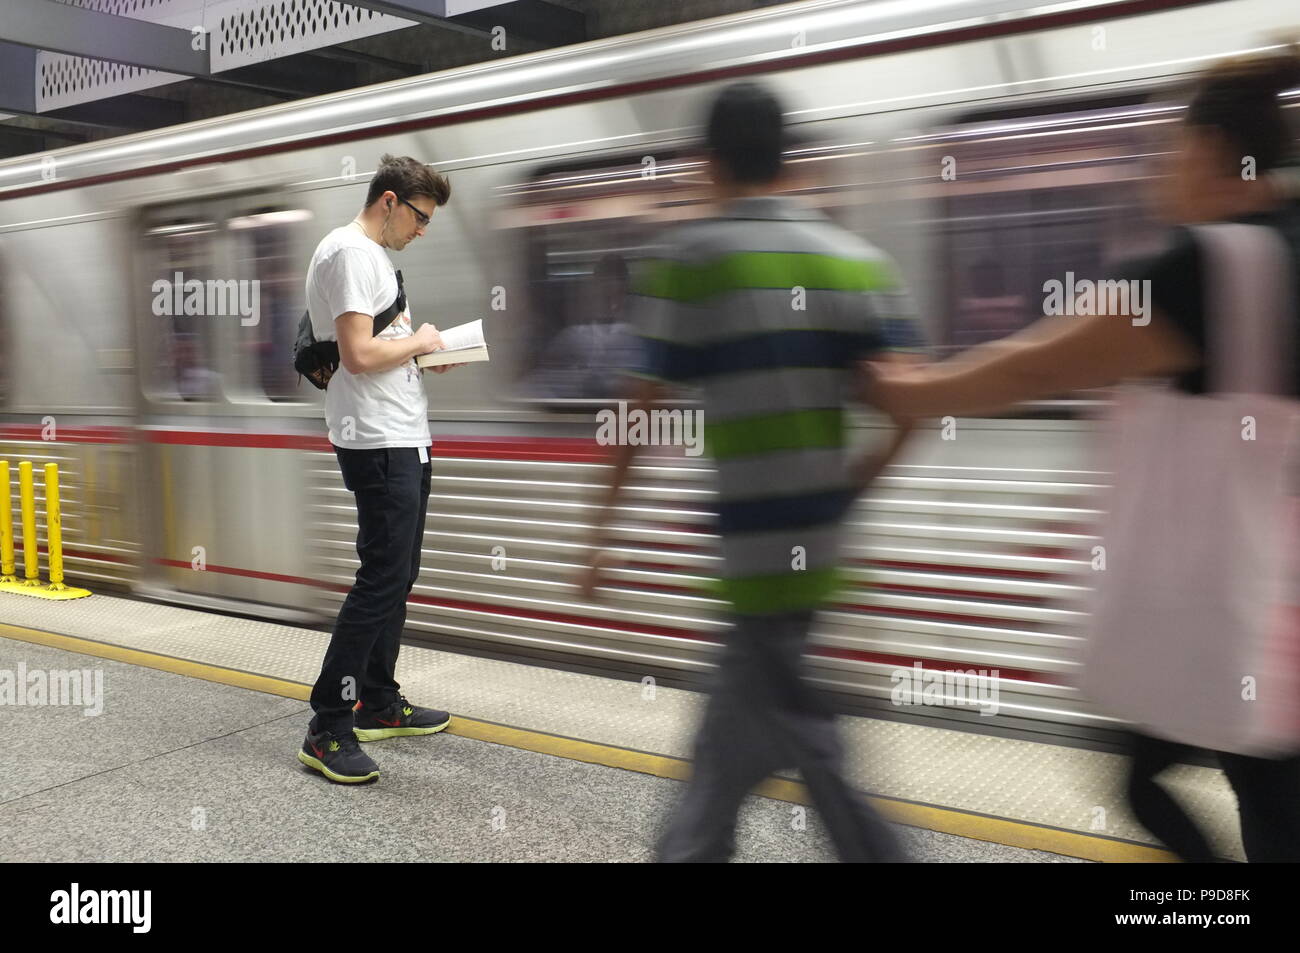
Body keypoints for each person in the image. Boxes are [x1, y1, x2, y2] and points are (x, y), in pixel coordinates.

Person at [866, 47, 1300, 861]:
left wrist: (908, 393)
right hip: (1266, 604)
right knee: (1222, 781)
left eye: (1167, 145)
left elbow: (1042, 363)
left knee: (1209, 787)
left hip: (1234, 606)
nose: (1159, 168)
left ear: (1208, 148)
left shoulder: (1208, 267)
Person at [580, 82, 924, 862]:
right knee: (743, 753)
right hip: (821, 555)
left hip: (754, 564)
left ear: (708, 163)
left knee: (788, 754)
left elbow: (638, 414)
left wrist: (599, 536)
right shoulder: (854, 260)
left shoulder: (692, 259)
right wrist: (849, 487)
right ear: (786, 159)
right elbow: (911, 406)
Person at [299, 154, 464, 784]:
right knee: (379, 580)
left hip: (404, 435)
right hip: (376, 442)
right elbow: (359, 355)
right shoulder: (348, 253)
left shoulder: (373, 259)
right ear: (389, 201)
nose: (422, 232)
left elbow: (381, 352)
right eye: (420, 218)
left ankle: (377, 701)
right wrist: (421, 340)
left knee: (398, 576)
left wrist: (424, 358)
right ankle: (328, 725)